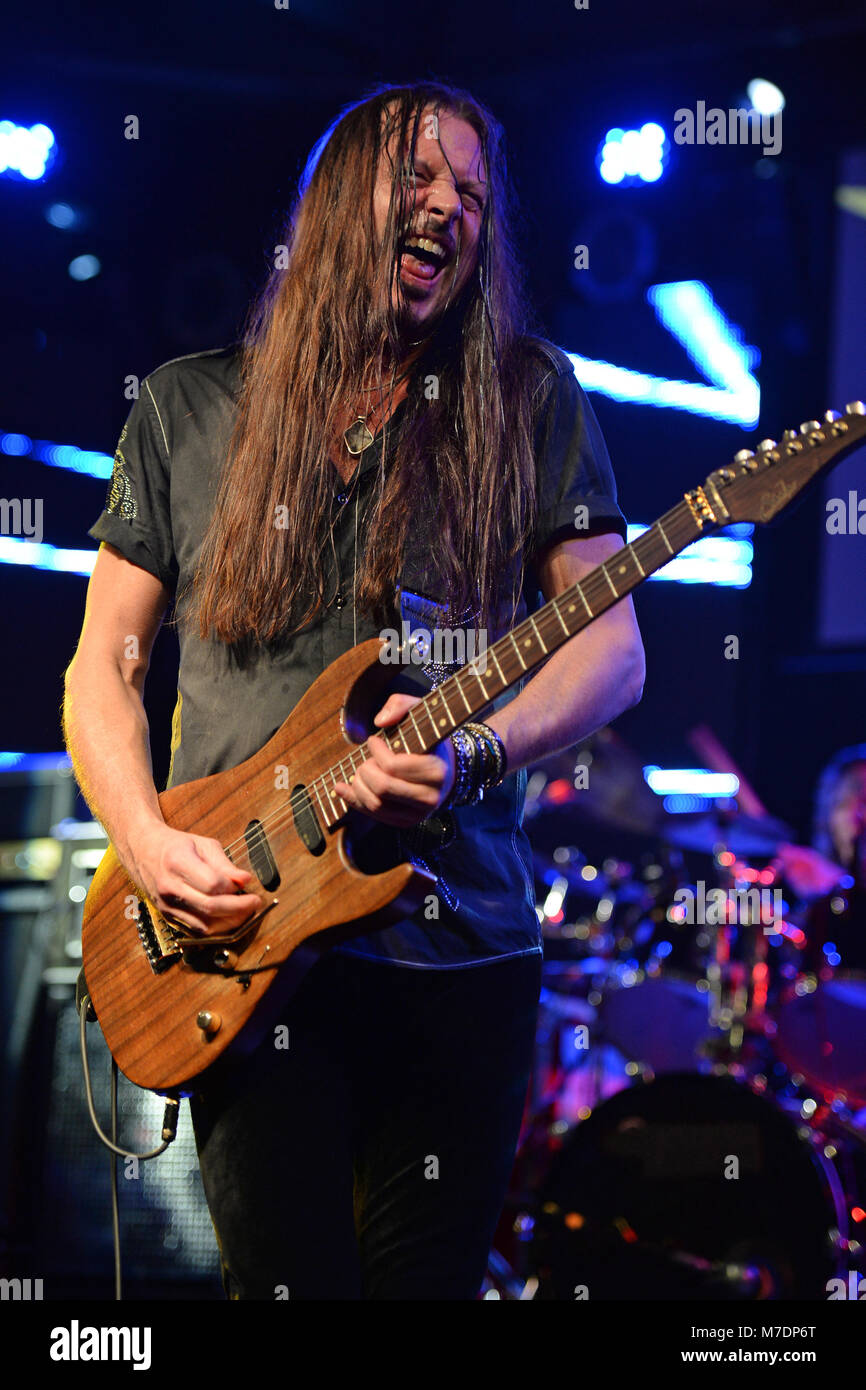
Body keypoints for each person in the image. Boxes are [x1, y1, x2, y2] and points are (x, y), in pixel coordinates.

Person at [62, 81, 645, 1300]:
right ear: (336, 204)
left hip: (459, 947)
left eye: (472, 195)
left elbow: (613, 649)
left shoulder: (527, 400)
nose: (447, 207)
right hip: (242, 930)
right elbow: (101, 666)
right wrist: (143, 837)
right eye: (418, 178)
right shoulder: (187, 408)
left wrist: (480, 750)